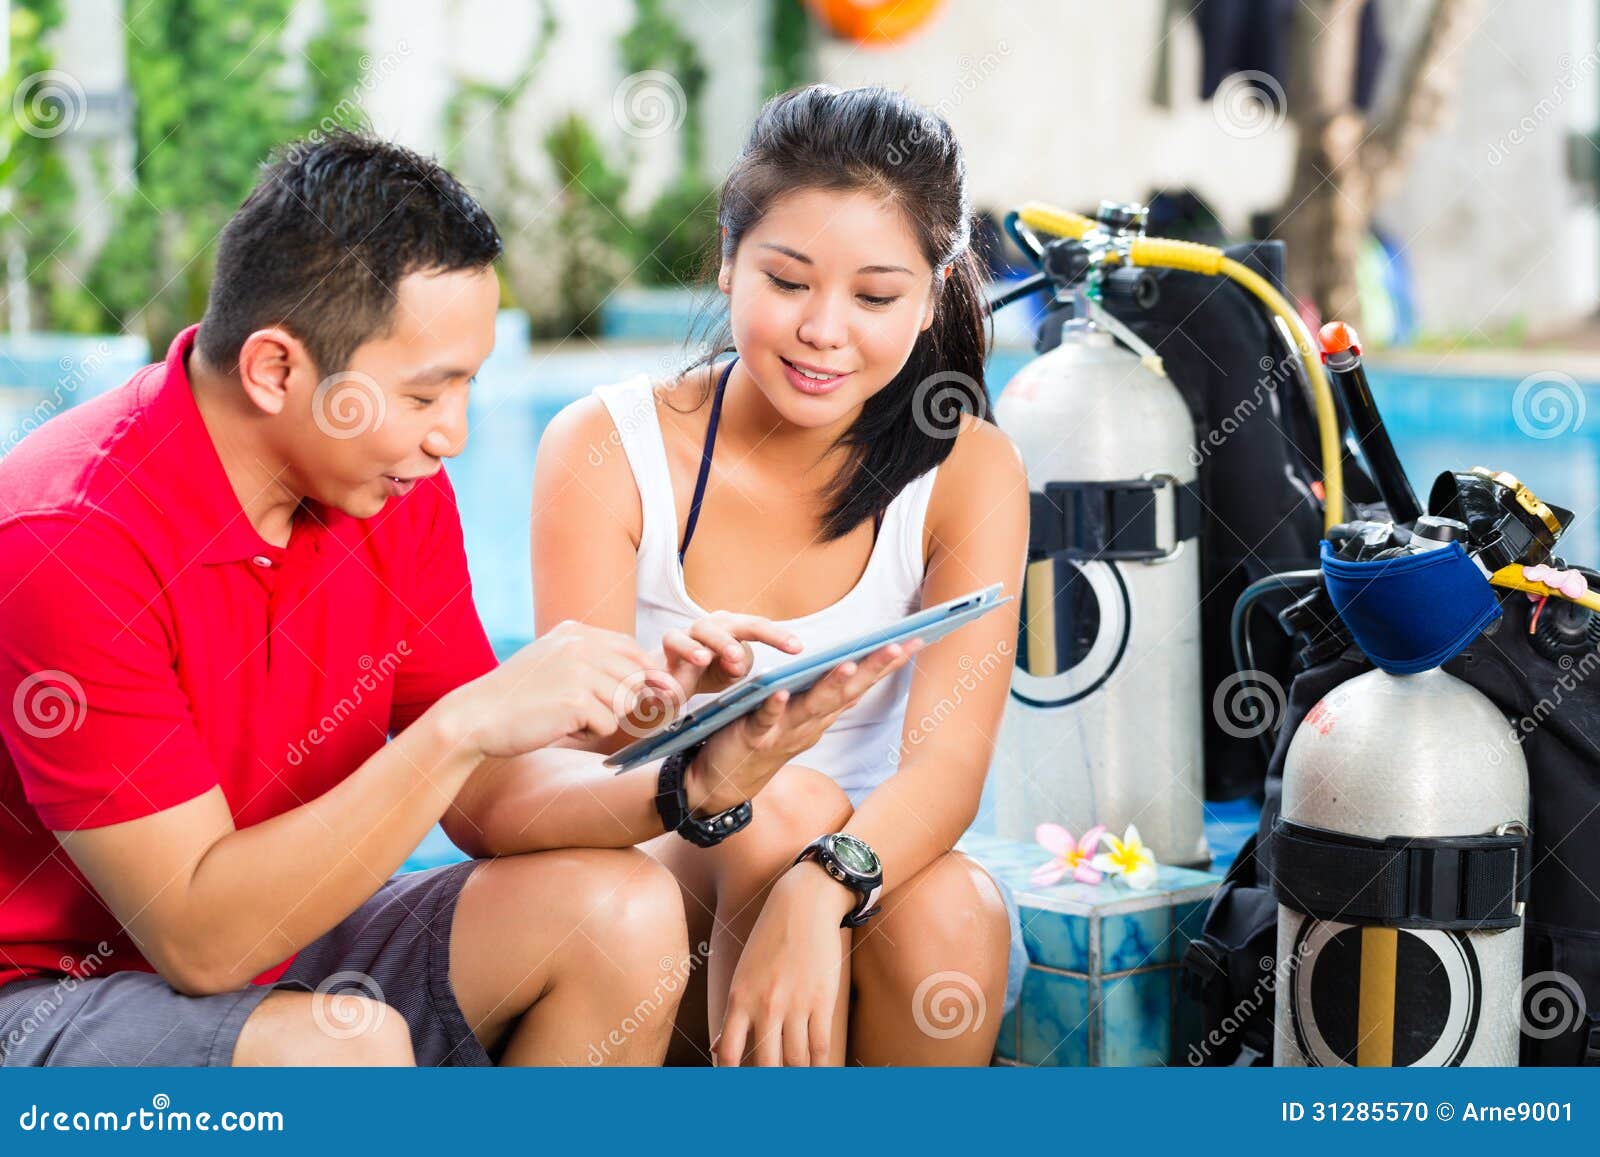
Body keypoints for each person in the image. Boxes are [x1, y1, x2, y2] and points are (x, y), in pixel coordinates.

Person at [0, 132, 877, 1067]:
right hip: (49, 992)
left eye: (468, 386)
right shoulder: (68, 540)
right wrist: (462, 726)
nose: (452, 435)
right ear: (275, 370)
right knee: (343, 1046)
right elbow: (201, 940)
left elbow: (492, 799)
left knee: (620, 908)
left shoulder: (381, 487)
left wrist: (691, 768)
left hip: (283, 941)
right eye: (427, 394)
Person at [531, 85, 1030, 1066]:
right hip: (649, 906)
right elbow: (567, 766)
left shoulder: (968, 469)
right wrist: (675, 714)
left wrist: (818, 881)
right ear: (728, 258)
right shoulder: (605, 446)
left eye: (875, 296)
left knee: (952, 913)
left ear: (931, 295)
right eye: (789, 280)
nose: (822, 328)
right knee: (780, 803)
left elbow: (946, 769)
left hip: (851, 881)